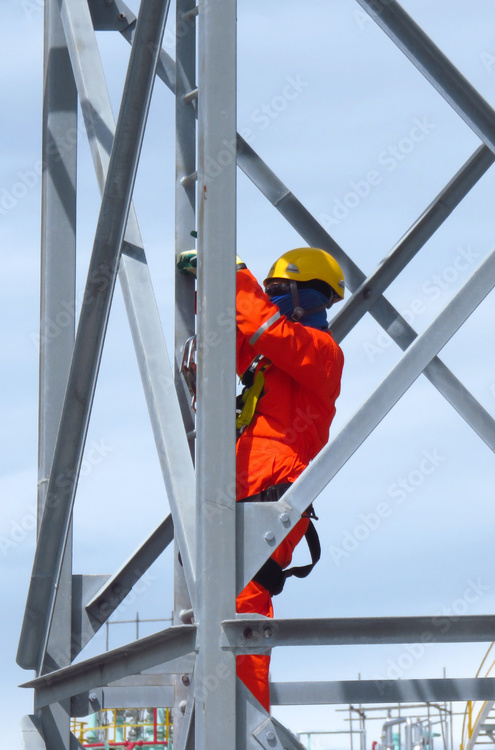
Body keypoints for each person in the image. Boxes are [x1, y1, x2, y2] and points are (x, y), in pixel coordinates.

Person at [178, 247, 345, 710]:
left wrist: (233, 274)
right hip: (239, 492)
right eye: (265, 293)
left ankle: (242, 727)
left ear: (307, 297)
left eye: (277, 291)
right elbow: (234, 337)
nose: (269, 300)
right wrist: (208, 287)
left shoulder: (322, 354)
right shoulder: (273, 362)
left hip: (274, 501)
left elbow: (262, 327)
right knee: (218, 605)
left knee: (244, 605)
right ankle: (221, 718)